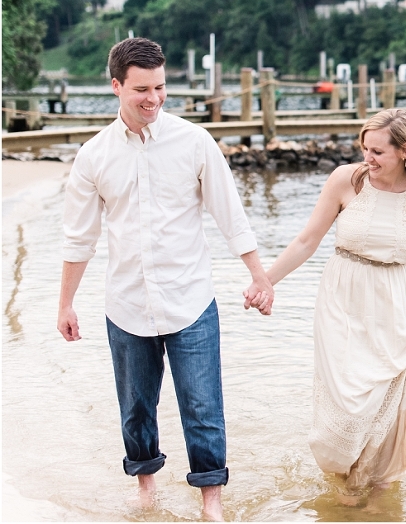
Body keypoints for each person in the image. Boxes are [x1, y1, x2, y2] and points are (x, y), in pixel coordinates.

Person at [57, 37, 273, 521]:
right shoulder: (93, 156)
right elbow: (79, 239)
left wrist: (260, 275)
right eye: (141, 89)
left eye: (160, 87)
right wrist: (65, 304)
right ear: (116, 87)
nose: (153, 98)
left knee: (202, 407)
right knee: (135, 409)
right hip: (127, 304)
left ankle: (211, 504)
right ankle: (146, 491)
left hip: (190, 299)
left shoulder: (195, 142)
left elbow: (230, 215)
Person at [263, 108, 406, 493]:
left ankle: (370, 488)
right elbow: (306, 241)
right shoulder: (346, 180)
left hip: (394, 302)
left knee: (382, 402)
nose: (368, 158)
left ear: (405, 152)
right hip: (342, 299)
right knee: (344, 407)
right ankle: (341, 474)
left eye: (378, 151)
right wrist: (266, 281)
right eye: (365, 148)